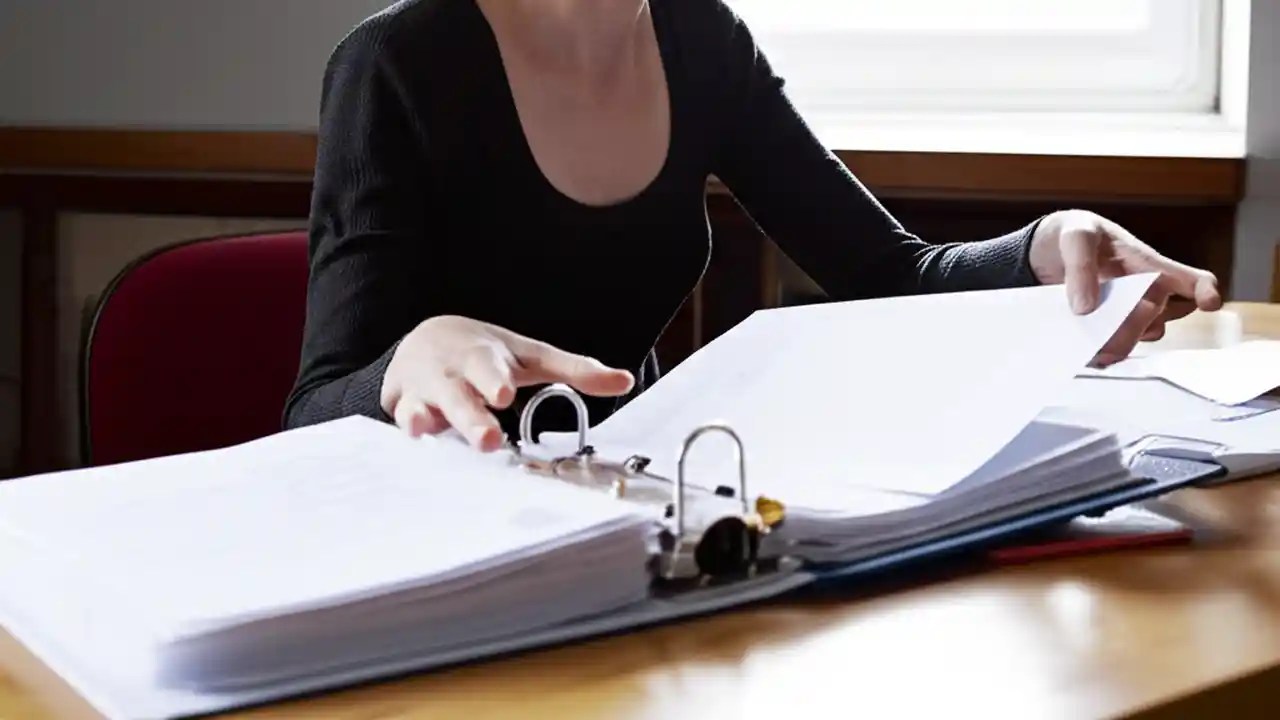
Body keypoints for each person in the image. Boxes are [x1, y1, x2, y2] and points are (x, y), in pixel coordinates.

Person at [284, 0, 1223, 452]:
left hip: (641, 511)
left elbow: (888, 271)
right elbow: (314, 405)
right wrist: (412, 356)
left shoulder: (700, 40)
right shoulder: (395, 64)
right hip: (439, 545)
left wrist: (1040, 250)